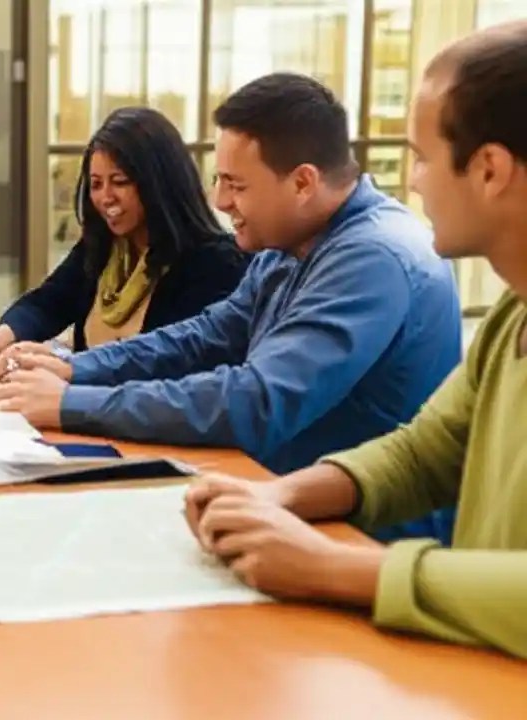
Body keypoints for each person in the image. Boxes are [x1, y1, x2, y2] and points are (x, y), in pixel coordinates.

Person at [183, 21, 527, 659]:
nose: (415, 182)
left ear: (489, 170)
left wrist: (330, 567)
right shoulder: (512, 314)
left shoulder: (377, 254)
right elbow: (421, 454)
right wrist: (276, 495)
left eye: (422, 157)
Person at [0, 73, 461, 478]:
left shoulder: (371, 258)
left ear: (302, 182)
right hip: (273, 491)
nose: (221, 202)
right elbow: (205, 336)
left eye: (236, 185)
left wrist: (70, 402)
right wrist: (73, 368)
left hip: (356, 534)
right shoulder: (287, 243)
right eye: (218, 180)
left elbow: (256, 402)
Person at [0, 107, 250, 372]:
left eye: (120, 181)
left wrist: (65, 365)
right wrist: (1, 336)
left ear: (158, 182)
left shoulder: (213, 263)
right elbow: (48, 302)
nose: (105, 197)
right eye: (96, 184)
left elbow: (168, 362)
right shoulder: (104, 245)